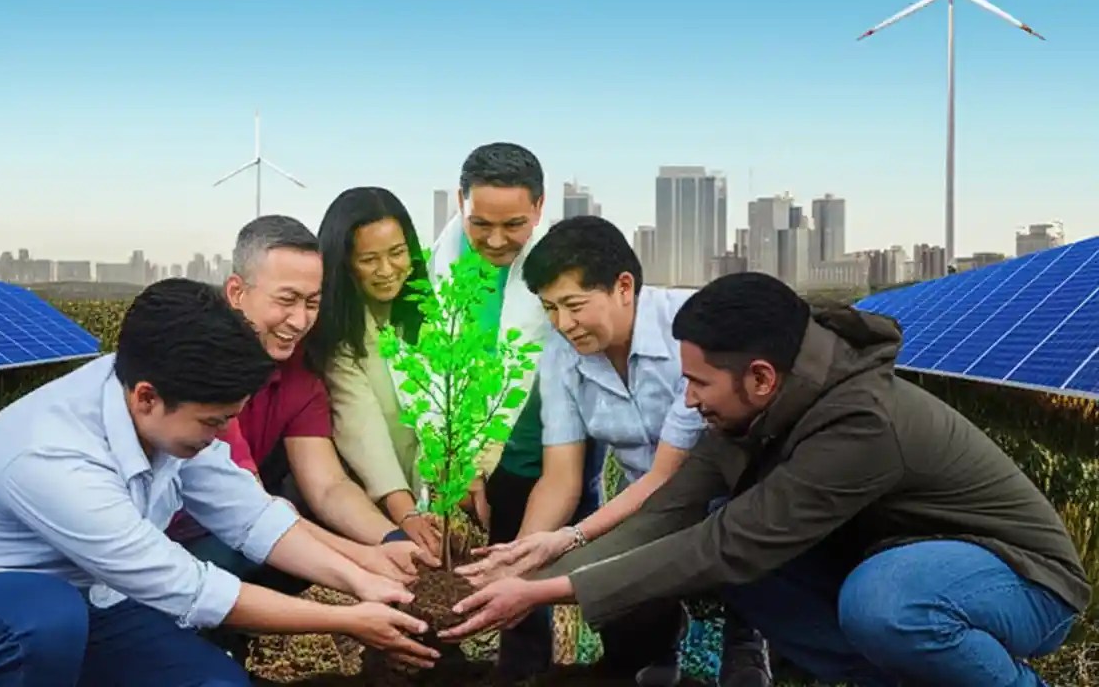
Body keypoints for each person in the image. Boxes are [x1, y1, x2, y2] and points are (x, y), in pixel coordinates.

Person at [440, 271, 1092, 687]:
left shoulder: (857, 423)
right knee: (770, 566)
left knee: (879, 600)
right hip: (902, 561)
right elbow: (673, 508)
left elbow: (726, 542)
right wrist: (531, 573)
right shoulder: (758, 408)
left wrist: (551, 591)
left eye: (697, 383)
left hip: (1020, 584)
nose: (688, 401)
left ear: (759, 376)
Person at [0, 278, 440, 687]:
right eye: (213, 421)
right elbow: (189, 589)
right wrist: (346, 618)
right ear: (147, 397)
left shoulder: (167, 403)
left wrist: (359, 577)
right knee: (41, 620)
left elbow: (251, 515)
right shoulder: (51, 456)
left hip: (86, 607)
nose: (221, 437)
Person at [456, 215, 771, 687]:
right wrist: (521, 556)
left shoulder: (692, 329)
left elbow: (669, 477)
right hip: (639, 503)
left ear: (624, 287)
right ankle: (653, 653)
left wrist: (571, 538)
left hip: (726, 492)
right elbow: (561, 478)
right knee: (626, 609)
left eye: (574, 305)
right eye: (550, 309)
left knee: (733, 588)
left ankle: (748, 641)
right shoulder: (561, 357)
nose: (564, 324)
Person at [167, 216, 436, 602]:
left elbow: (327, 486)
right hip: (168, 538)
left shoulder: (300, 375)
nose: (299, 320)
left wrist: (392, 537)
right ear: (236, 292)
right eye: (286, 300)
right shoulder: (198, 365)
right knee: (247, 550)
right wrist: (362, 566)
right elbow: (252, 513)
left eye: (312, 303)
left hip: (241, 519)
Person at [430, 142, 606, 679]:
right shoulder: (444, 257)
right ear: (461, 202)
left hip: (553, 438)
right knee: (494, 553)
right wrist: (457, 461)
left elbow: (543, 355)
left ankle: (634, 658)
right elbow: (440, 362)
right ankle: (511, 668)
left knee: (577, 555)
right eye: (481, 223)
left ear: (540, 206)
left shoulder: (559, 262)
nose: (497, 240)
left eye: (514, 224)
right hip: (478, 445)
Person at [310, 186, 443, 557]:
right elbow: (361, 426)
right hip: (380, 500)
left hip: (437, 490)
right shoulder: (338, 334)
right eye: (369, 259)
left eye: (397, 253)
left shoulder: (430, 315)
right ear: (343, 262)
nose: (387, 271)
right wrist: (407, 514)